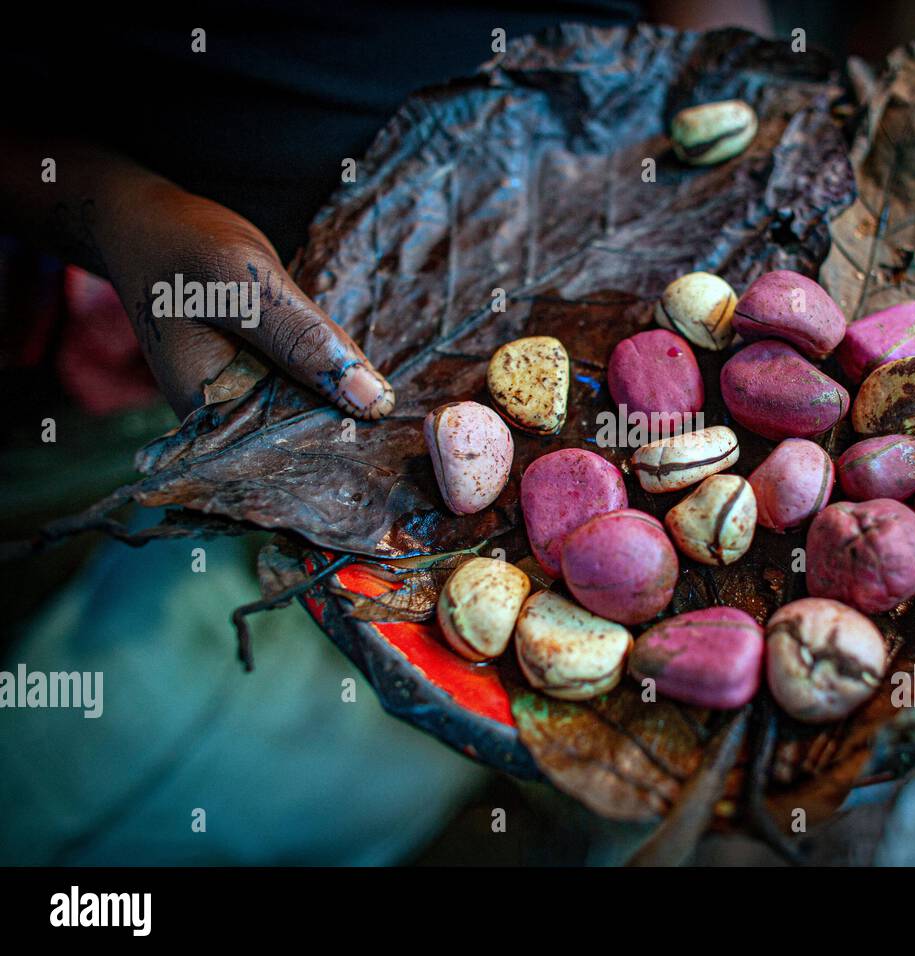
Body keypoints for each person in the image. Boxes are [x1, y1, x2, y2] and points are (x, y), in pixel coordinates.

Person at [0, 2, 771, 865]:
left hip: (504, 491)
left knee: (378, 770)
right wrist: (116, 211)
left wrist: (732, 84)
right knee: (108, 767)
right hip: (254, 409)